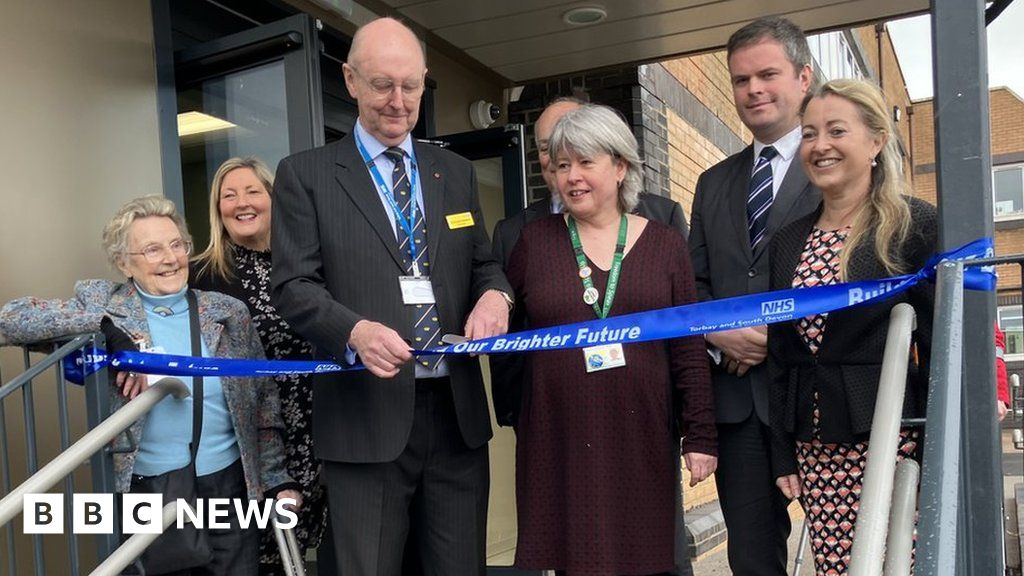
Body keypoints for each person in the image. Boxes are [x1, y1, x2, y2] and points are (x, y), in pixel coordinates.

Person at [270, 17, 513, 576]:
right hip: (365, 417)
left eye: (411, 86)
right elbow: (293, 285)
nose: (399, 102)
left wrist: (495, 299)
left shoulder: (453, 171)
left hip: (455, 418)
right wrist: (353, 331)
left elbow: (484, 263)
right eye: (383, 85)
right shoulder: (305, 175)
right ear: (350, 80)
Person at [0, 195, 300, 575]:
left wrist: (275, 479)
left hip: (228, 482)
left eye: (177, 245)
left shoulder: (226, 311)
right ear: (124, 261)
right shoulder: (104, 302)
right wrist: (105, 328)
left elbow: (262, 400)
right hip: (150, 488)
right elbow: (11, 319)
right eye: (153, 249)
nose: (171, 258)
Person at [505, 103, 717, 575]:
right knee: (574, 559)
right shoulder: (533, 242)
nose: (572, 177)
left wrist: (700, 434)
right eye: (562, 166)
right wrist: (491, 302)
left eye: (585, 162)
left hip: (640, 433)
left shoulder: (665, 245)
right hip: (557, 434)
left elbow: (688, 347)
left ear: (620, 166)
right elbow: (499, 304)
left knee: (643, 558)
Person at [768, 79, 937, 575]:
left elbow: (937, 342)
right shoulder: (786, 241)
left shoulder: (913, 224)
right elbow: (781, 354)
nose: (820, 146)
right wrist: (783, 454)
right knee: (839, 567)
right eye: (809, 133)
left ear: (876, 141)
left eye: (836, 131)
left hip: (894, 439)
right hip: (816, 447)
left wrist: (932, 446)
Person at [687, 16, 820, 575]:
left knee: (849, 546)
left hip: (817, 398)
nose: (753, 90)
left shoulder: (838, 164)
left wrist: (777, 337)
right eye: (741, 80)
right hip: (738, 409)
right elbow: (692, 284)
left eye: (768, 74)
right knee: (753, 558)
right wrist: (720, 333)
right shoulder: (713, 182)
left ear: (804, 77)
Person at [190, 157, 327, 574]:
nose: (241, 203)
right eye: (228, 196)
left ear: (274, 198)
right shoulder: (200, 275)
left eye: (252, 191)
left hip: (321, 425)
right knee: (258, 553)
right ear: (218, 210)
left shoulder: (314, 265)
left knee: (312, 544)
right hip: (249, 436)